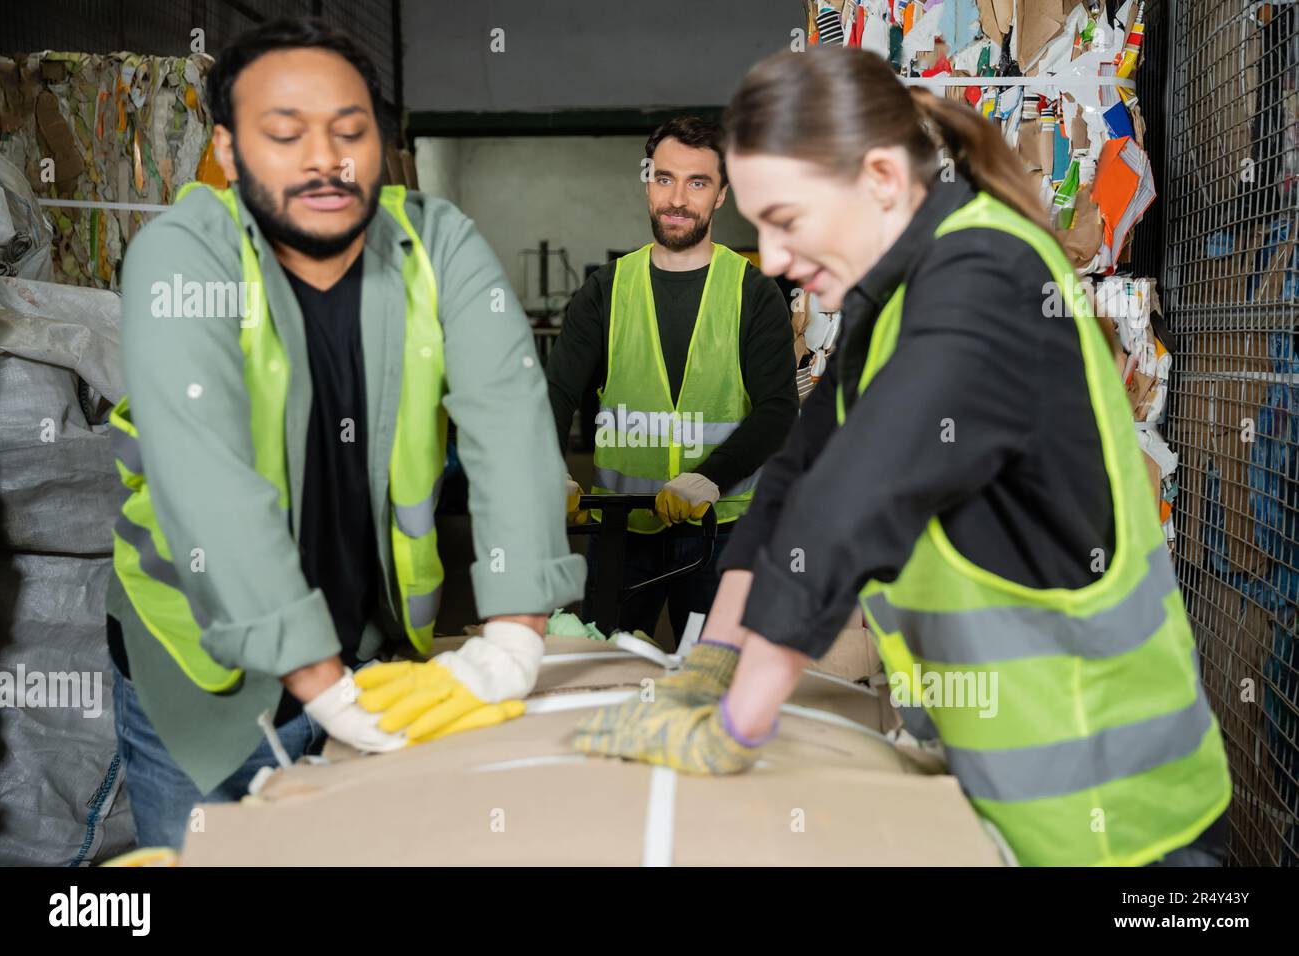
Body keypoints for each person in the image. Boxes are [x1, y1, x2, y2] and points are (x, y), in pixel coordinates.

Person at [573, 47, 1232, 867]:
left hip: (1125, 828)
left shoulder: (985, 280)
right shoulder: (891, 304)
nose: (771, 258)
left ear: (881, 179)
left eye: (786, 219)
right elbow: (791, 484)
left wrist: (738, 725)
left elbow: (850, 503)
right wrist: (711, 659)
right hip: (1005, 810)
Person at [107, 18, 583, 849]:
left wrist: (514, 632)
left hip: (369, 647)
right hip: (200, 666)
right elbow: (204, 479)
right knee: (208, 856)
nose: (325, 159)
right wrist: (317, 684)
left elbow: (509, 420)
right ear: (227, 148)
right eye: (284, 134)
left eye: (350, 131)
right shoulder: (184, 257)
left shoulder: (437, 243)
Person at [547, 116, 798, 643]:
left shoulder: (753, 293)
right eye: (664, 179)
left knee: (713, 682)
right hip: (620, 530)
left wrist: (710, 477)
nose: (677, 198)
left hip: (721, 528)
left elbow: (778, 408)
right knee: (604, 673)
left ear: (722, 194)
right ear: (647, 182)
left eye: (697, 182)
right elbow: (554, 393)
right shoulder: (605, 291)